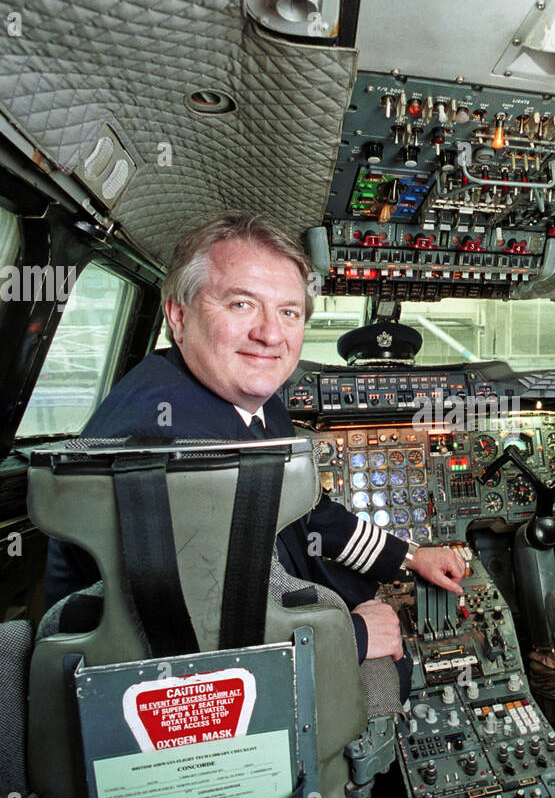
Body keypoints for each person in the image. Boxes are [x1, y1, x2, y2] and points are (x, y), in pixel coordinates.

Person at [43, 211, 466, 675]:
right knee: (393, 670)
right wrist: (353, 635)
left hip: (265, 599)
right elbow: (189, 635)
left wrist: (410, 555)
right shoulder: (167, 442)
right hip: (193, 691)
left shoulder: (252, 405)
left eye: (288, 311)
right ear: (178, 317)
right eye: (241, 304)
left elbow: (312, 512)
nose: (270, 334)